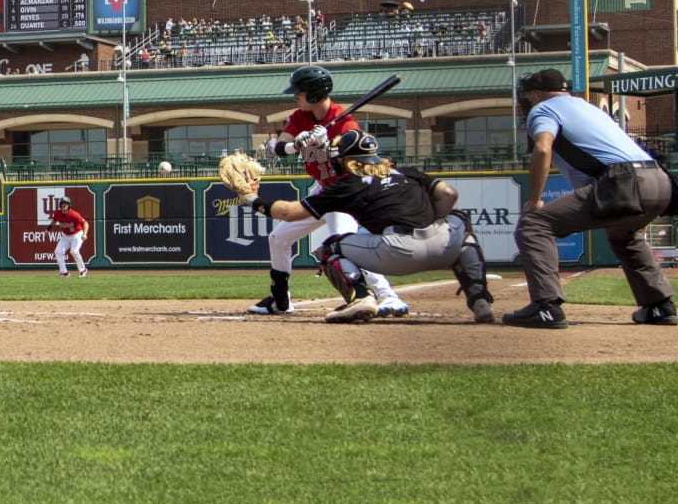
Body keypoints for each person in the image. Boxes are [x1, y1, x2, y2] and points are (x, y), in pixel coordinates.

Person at [246, 131, 494, 323]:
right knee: (460, 221)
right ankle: (479, 298)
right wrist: (431, 222)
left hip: (398, 252)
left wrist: (250, 199)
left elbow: (289, 213)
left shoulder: (346, 185)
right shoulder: (404, 172)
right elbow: (449, 194)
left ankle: (361, 298)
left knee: (331, 247)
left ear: (346, 160)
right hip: (444, 247)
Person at [503, 68, 677, 328]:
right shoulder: (588, 108)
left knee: (534, 224)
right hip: (661, 181)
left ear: (538, 94)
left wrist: (535, 199)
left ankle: (546, 307)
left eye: (527, 95)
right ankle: (660, 306)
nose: (525, 101)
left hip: (624, 181)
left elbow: (542, 148)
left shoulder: (543, 109)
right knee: (624, 236)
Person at [251, 65, 408, 317]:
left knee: (346, 244)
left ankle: (389, 297)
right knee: (278, 238)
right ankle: (280, 300)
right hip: (322, 193)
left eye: (299, 93)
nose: (295, 97)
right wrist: (295, 145)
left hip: (345, 193)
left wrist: (332, 146)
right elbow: (279, 147)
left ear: (313, 94)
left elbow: (362, 160)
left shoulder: (345, 122)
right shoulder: (299, 117)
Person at [49, 195, 88, 278]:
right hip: (66, 236)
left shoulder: (74, 214)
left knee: (74, 251)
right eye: (62, 204)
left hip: (77, 234)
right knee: (58, 251)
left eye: (65, 205)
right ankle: (64, 273)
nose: (63, 206)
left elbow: (85, 223)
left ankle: (83, 270)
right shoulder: (58, 213)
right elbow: (54, 220)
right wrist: (48, 228)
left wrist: (84, 234)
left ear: (68, 206)